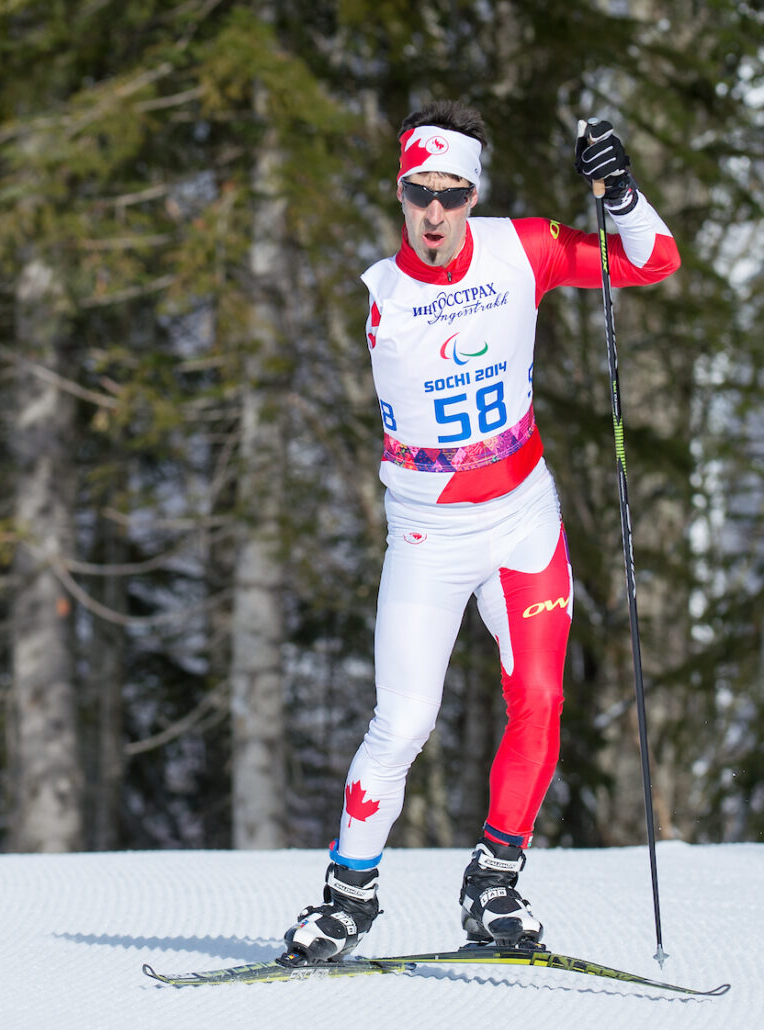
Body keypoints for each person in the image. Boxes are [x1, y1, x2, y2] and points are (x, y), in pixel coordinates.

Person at [284, 102, 680, 963]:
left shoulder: (521, 248)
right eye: (419, 194)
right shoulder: (381, 295)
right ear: (399, 193)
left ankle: (495, 883)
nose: (434, 215)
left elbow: (653, 263)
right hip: (427, 536)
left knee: (540, 701)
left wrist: (620, 193)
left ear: (473, 195)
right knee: (404, 723)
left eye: (452, 195)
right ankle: (347, 899)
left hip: (521, 522)